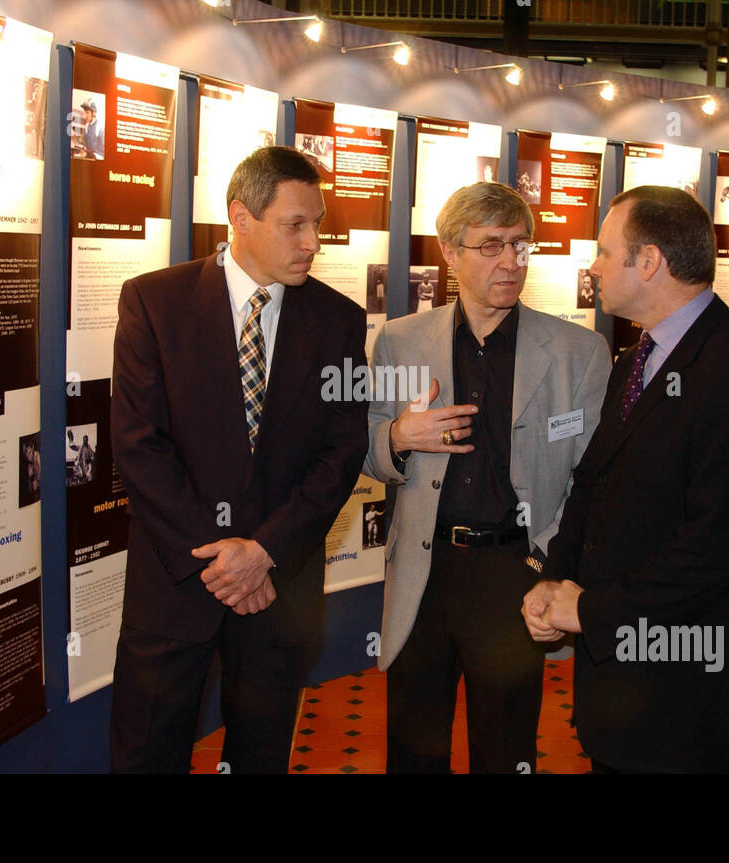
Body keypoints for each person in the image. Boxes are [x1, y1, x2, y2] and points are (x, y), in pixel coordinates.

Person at [109, 146, 368, 774]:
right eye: (296, 224)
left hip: (279, 584)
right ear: (240, 218)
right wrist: (222, 559)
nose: (313, 242)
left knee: (261, 754)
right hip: (177, 584)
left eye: (318, 225)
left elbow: (342, 451)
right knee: (147, 755)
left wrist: (262, 552)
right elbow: (139, 445)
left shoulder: (338, 319)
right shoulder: (153, 302)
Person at [522, 185, 729, 774]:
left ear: (648, 262)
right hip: (625, 685)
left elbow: (713, 546)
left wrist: (590, 610)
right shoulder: (638, 359)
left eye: (603, 250)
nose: (592, 266)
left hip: (685, 696)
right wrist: (557, 579)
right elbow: (593, 481)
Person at [365, 182, 611, 773]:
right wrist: (398, 438)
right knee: (413, 743)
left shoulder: (580, 351)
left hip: (517, 571)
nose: (510, 262)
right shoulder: (400, 341)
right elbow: (368, 451)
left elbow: (593, 481)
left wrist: (544, 561)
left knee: (505, 748)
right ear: (450, 252)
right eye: (491, 246)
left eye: (521, 246)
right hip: (425, 569)